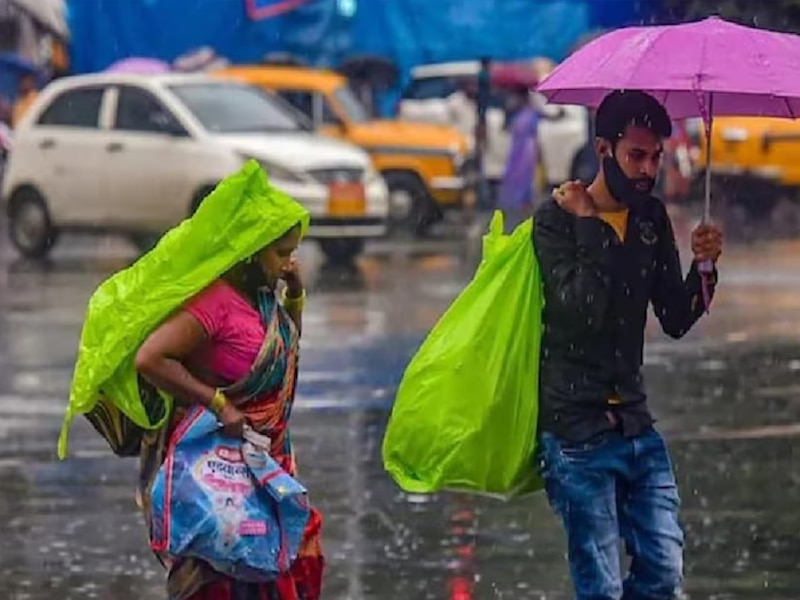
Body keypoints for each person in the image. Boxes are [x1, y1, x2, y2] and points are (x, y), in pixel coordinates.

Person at [533, 90, 723, 600]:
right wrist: (588, 224)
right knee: (601, 587)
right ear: (603, 149)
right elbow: (579, 312)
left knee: (664, 572)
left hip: (636, 424)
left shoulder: (649, 218)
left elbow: (676, 317)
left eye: (656, 157)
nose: (648, 170)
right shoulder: (556, 219)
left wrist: (704, 265)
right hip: (575, 431)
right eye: (636, 155)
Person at [133, 219, 324, 598]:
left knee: (280, 567)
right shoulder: (215, 303)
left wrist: (295, 294)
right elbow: (150, 359)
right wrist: (219, 405)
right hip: (218, 476)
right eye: (280, 253)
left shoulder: (263, 299)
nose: (289, 263)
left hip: (266, 463)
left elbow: (283, 349)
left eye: (292, 253)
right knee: (220, 575)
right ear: (252, 252)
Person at [496, 85, 539, 231]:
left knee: (525, 181)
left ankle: (525, 214)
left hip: (526, 153)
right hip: (516, 152)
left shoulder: (530, 114)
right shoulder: (517, 114)